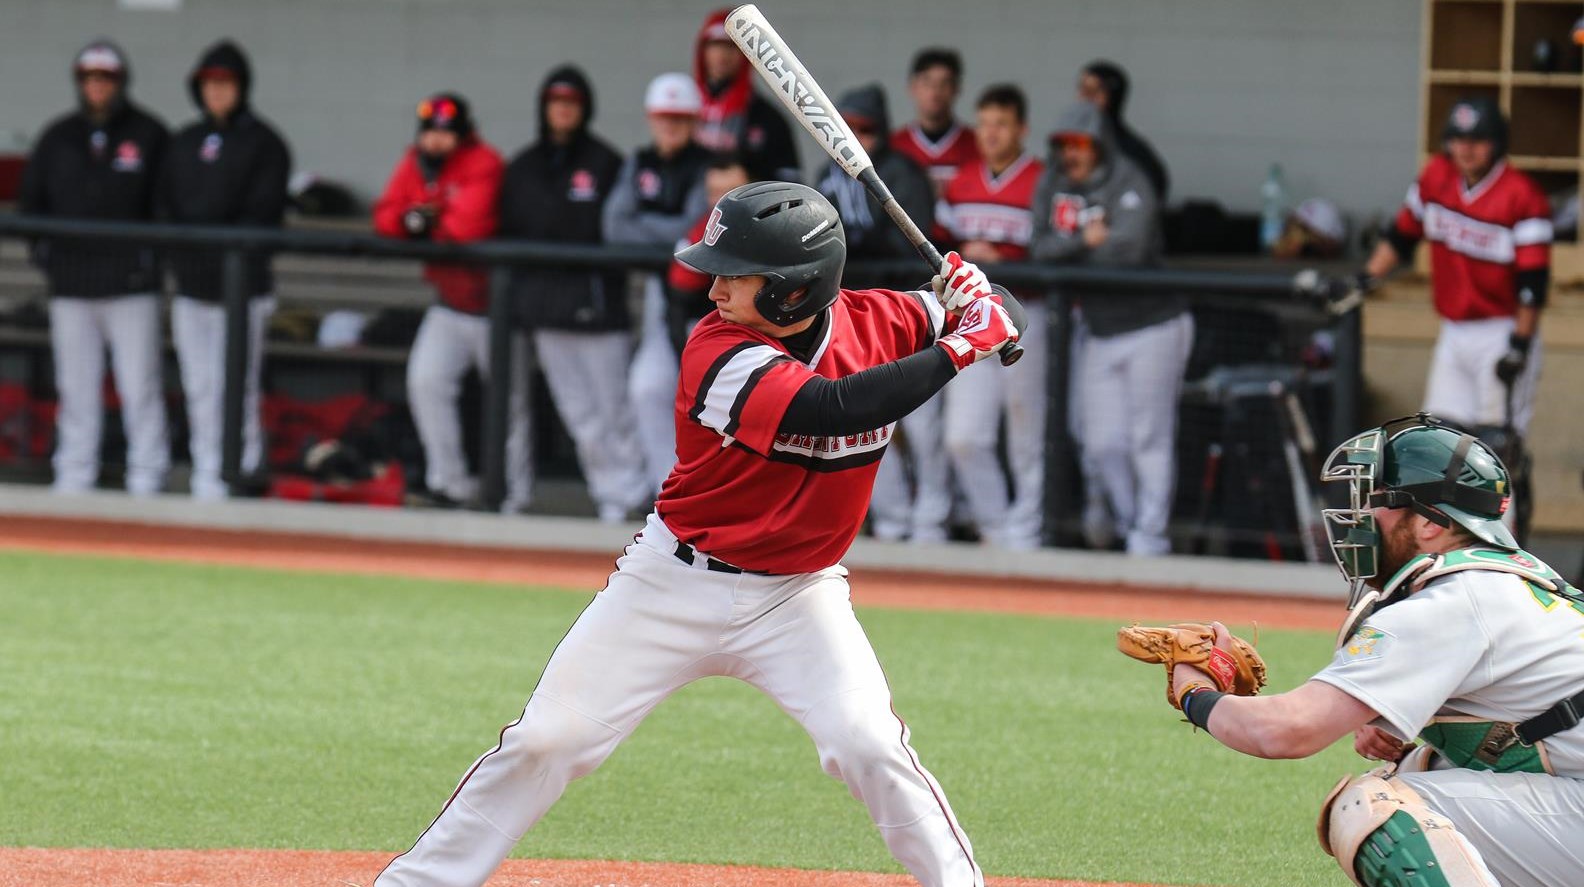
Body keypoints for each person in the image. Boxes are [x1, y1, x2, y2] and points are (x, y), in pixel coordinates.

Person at [374, 181, 1020, 887]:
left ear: (794, 290)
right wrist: (965, 343)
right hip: (672, 582)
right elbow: (833, 407)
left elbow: (1002, 311)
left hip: (798, 596)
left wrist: (977, 297)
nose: (713, 289)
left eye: (734, 275)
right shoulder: (716, 350)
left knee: (869, 743)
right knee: (548, 740)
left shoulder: (882, 319)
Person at [1152, 414, 1584, 886]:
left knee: (1373, 809)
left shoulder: (1455, 599)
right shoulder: (1515, 577)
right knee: (1419, 768)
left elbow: (1286, 731)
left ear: (1429, 523)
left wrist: (1196, 693)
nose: (1362, 517)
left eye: (1378, 501)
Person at [1031, 101, 1190, 557]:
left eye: (1080, 145)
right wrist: (1084, 240)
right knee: (1100, 442)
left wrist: (1070, 249)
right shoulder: (1053, 183)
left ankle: (1150, 536)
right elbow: (1037, 248)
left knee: (1148, 438)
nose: (1072, 154)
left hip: (1153, 324)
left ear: (1099, 145)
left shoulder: (1128, 178)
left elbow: (1128, 251)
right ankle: (1129, 523)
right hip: (1099, 329)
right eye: (1064, 145)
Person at [20, 40, 169, 497]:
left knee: (139, 386)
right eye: (89, 77)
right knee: (75, 387)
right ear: (79, 82)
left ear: (120, 82)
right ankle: (74, 474)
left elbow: (167, 208)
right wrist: (47, 259)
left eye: (106, 78)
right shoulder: (58, 136)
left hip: (132, 285)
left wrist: (149, 261)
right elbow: (31, 205)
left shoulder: (149, 134)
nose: (97, 85)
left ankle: (147, 477)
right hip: (72, 284)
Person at [498, 66, 644, 523]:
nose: (563, 110)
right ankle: (611, 496)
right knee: (579, 414)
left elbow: (613, 230)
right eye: (555, 102)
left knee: (616, 410)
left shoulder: (606, 162)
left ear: (585, 109)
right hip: (546, 310)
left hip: (598, 308)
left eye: (572, 103)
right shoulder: (523, 166)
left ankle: (637, 495)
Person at [373, 92, 526, 511]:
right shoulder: (415, 162)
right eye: (430, 131)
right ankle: (450, 483)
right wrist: (414, 220)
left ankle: (514, 493)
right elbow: (385, 215)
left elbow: (467, 227)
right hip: (450, 303)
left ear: (462, 133)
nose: (437, 139)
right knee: (426, 381)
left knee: (510, 403)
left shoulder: (484, 161)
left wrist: (423, 219)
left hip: (497, 305)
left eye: (446, 132)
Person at [1364, 97, 1549, 439]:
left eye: (1477, 141)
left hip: (1502, 328)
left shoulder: (1522, 195)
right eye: (1458, 140)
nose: (1466, 149)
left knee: (1495, 443)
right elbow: (1402, 235)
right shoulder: (1437, 175)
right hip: (1454, 330)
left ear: (1496, 143)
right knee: (1439, 440)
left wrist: (1519, 344)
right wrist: (1363, 280)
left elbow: (1533, 282)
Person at [157, 39, 290, 500]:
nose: (216, 92)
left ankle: (241, 473)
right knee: (199, 387)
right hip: (191, 287)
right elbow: (164, 205)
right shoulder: (184, 141)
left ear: (242, 87)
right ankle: (207, 475)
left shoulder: (265, 143)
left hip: (242, 289)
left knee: (237, 386)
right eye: (209, 84)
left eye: (225, 83)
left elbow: (263, 213)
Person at [817, 83, 947, 543]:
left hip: (906, 311)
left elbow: (912, 246)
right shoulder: (825, 176)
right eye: (849, 128)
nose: (858, 137)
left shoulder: (900, 174)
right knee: (868, 423)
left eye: (866, 129)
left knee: (924, 426)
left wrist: (864, 242)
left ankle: (932, 520)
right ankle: (891, 519)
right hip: (852, 315)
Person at [937, 84, 1046, 549]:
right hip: (974, 317)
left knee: (1027, 430)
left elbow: (1055, 249)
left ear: (1021, 129)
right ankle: (997, 528)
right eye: (983, 124)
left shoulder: (1042, 178)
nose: (991, 133)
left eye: (1001, 124)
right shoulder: (962, 180)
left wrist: (1005, 258)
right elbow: (939, 244)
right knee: (963, 435)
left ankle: (1027, 529)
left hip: (1030, 312)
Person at [602, 72, 711, 495]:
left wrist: (650, 226)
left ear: (695, 120)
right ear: (651, 118)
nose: (671, 125)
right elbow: (615, 227)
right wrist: (673, 236)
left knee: (706, 398)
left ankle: (699, 494)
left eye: (680, 118)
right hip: (659, 292)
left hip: (707, 297)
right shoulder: (640, 161)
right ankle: (670, 493)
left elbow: (697, 229)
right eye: (664, 117)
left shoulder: (708, 164)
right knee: (647, 387)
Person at [692, 8, 800, 181]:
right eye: (715, 44)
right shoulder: (684, 112)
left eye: (731, 45)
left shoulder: (768, 119)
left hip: (746, 196)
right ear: (702, 50)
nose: (722, 54)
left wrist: (748, 179)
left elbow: (790, 181)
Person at [664, 152, 754, 357]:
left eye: (732, 190)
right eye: (715, 192)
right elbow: (680, 298)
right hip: (706, 325)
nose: (723, 199)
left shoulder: (774, 225)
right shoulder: (704, 231)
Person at [891, 47, 980, 198]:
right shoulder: (894, 146)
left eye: (944, 84)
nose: (935, 92)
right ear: (912, 87)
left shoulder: (978, 145)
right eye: (927, 83)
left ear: (956, 89)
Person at [1076, 60, 1169, 204]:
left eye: (1092, 92)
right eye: (1082, 89)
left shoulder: (1131, 150)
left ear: (1112, 97)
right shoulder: (1066, 144)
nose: (1083, 98)